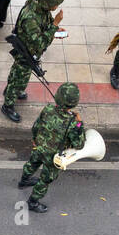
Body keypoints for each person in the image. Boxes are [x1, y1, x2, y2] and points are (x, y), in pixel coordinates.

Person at [17, 82, 84, 213]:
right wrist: (79, 124)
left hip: (39, 147)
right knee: (46, 179)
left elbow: (36, 127)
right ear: (74, 103)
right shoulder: (72, 123)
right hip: (52, 157)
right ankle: (32, 202)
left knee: (32, 163)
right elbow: (79, 144)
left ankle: (24, 181)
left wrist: (35, 140)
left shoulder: (47, 109)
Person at [0, 0, 63, 122]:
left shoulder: (39, 3)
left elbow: (45, 21)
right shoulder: (31, 19)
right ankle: (8, 105)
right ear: (47, 2)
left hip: (29, 49)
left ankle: (11, 90)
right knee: (18, 78)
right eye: (55, 4)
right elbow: (40, 43)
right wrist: (54, 26)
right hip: (26, 53)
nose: (56, 7)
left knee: (19, 74)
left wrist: (54, 29)